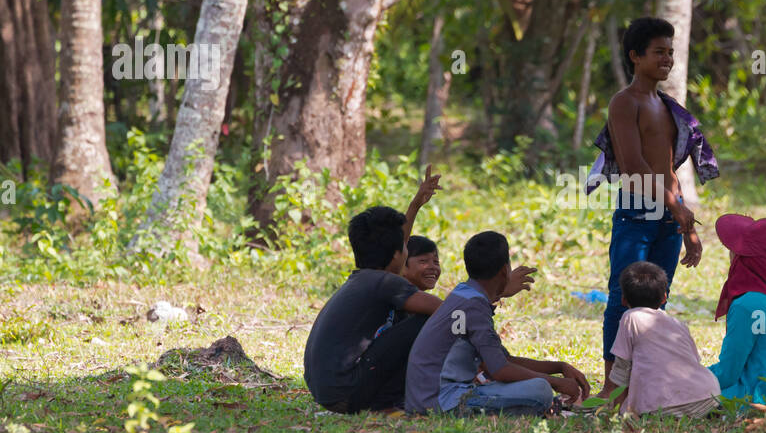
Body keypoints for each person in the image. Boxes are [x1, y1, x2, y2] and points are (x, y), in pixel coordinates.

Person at [586, 16, 720, 397]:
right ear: (635, 56)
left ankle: (644, 381)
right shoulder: (624, 103)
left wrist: (686, 225)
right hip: (637, 209)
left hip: (668, 212)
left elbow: (668, 168)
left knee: (656, 298)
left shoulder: (665, 104)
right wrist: (677, 209)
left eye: (670, 52)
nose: (667, 59)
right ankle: (613, 387)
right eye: (658, 52)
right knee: (622, 294)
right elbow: (632, 166)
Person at [404, 231, 591, 416]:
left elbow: (503, 361)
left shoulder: (464, 293)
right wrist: (556, 383)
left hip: (426, 397)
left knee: (534, 385)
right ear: (504, 271)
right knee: (540, 390)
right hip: (440, 401)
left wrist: (559, 367)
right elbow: (500, 370)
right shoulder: (475, 305)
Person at [302, 168, 442, 414]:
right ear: (398, 254)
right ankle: (388, 404)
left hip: (327, 391)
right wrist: (490, 293)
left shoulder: (366, 278)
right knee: (429, 322)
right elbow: (446, 310)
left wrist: (415, 206)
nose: (407, 250)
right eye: (405, 249)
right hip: (347, 393)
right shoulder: (386, 283)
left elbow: (396, 246)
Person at [708, 214, 766, 406]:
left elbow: (728, 373)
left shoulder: (748, 305)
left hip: (755, 399)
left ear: (743, 258)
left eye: (734, 250)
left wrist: (690, 378)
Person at [607, 261, 720, 418]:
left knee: (629, 410)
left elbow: (621, 368)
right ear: (664, 298)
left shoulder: (630, 318)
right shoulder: (679, 324)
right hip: (708, 396)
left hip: (662, 405)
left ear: (624, 299)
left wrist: (616, 411)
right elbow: (694, 361)